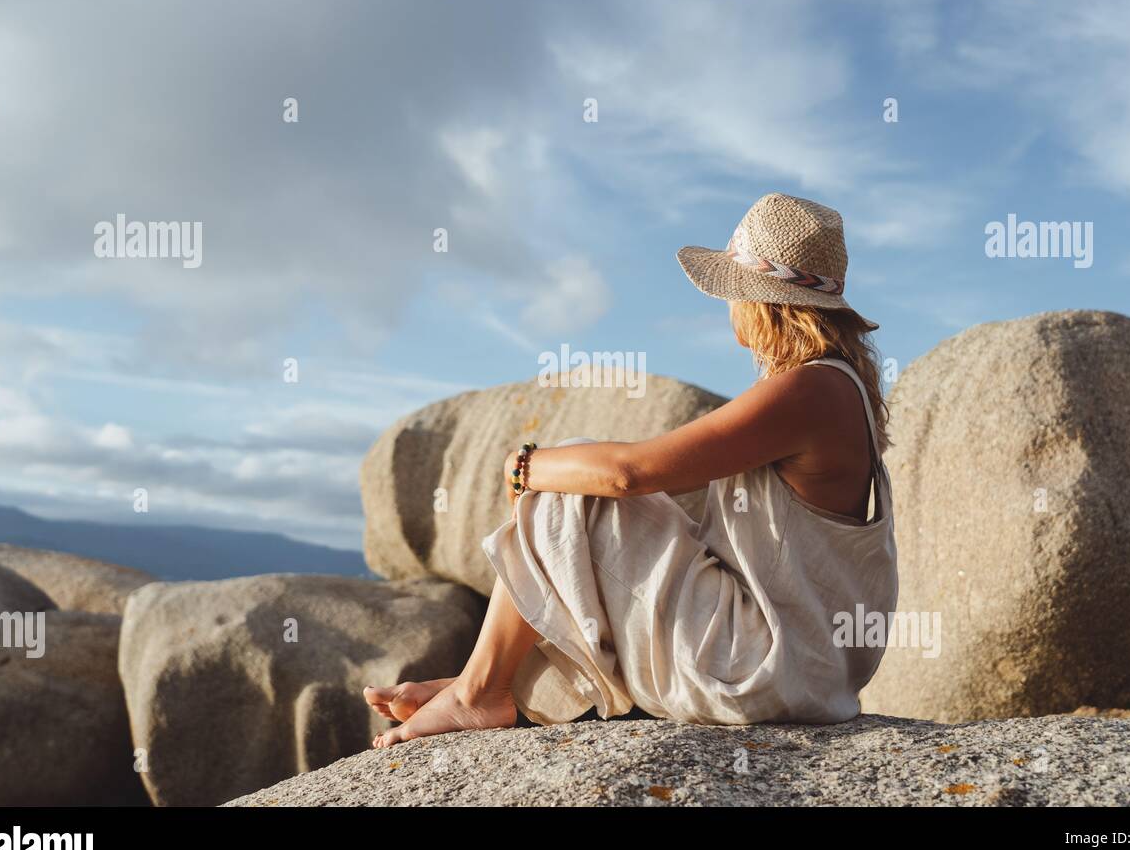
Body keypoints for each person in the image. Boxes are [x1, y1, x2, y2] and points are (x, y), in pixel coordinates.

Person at [364, 193, 898, 748]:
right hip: (804, 668)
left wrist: (526, 465)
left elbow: (629, 474)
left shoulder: (808, 389)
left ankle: (480, 691)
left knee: (569, 487)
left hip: (762, 668)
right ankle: (488, 681)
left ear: (758, 300)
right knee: (580, 485)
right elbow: (659, 482)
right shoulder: (833, 387)